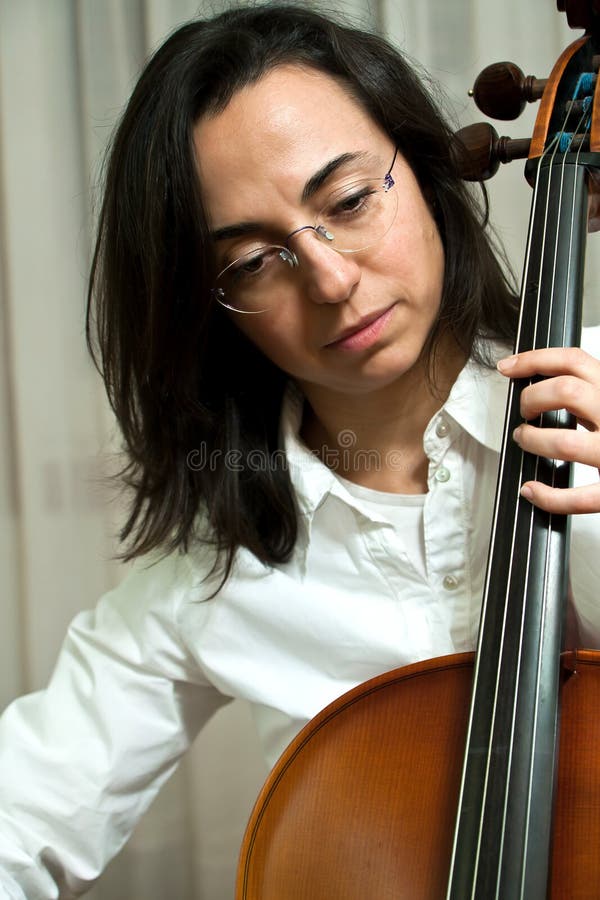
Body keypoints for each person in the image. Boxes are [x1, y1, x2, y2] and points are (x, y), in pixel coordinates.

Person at [1, 3, 600, 897]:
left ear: (427, 169)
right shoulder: (210, 577)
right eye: (251, 262)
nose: (329, 280)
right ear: (208, 308)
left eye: (351, 201)